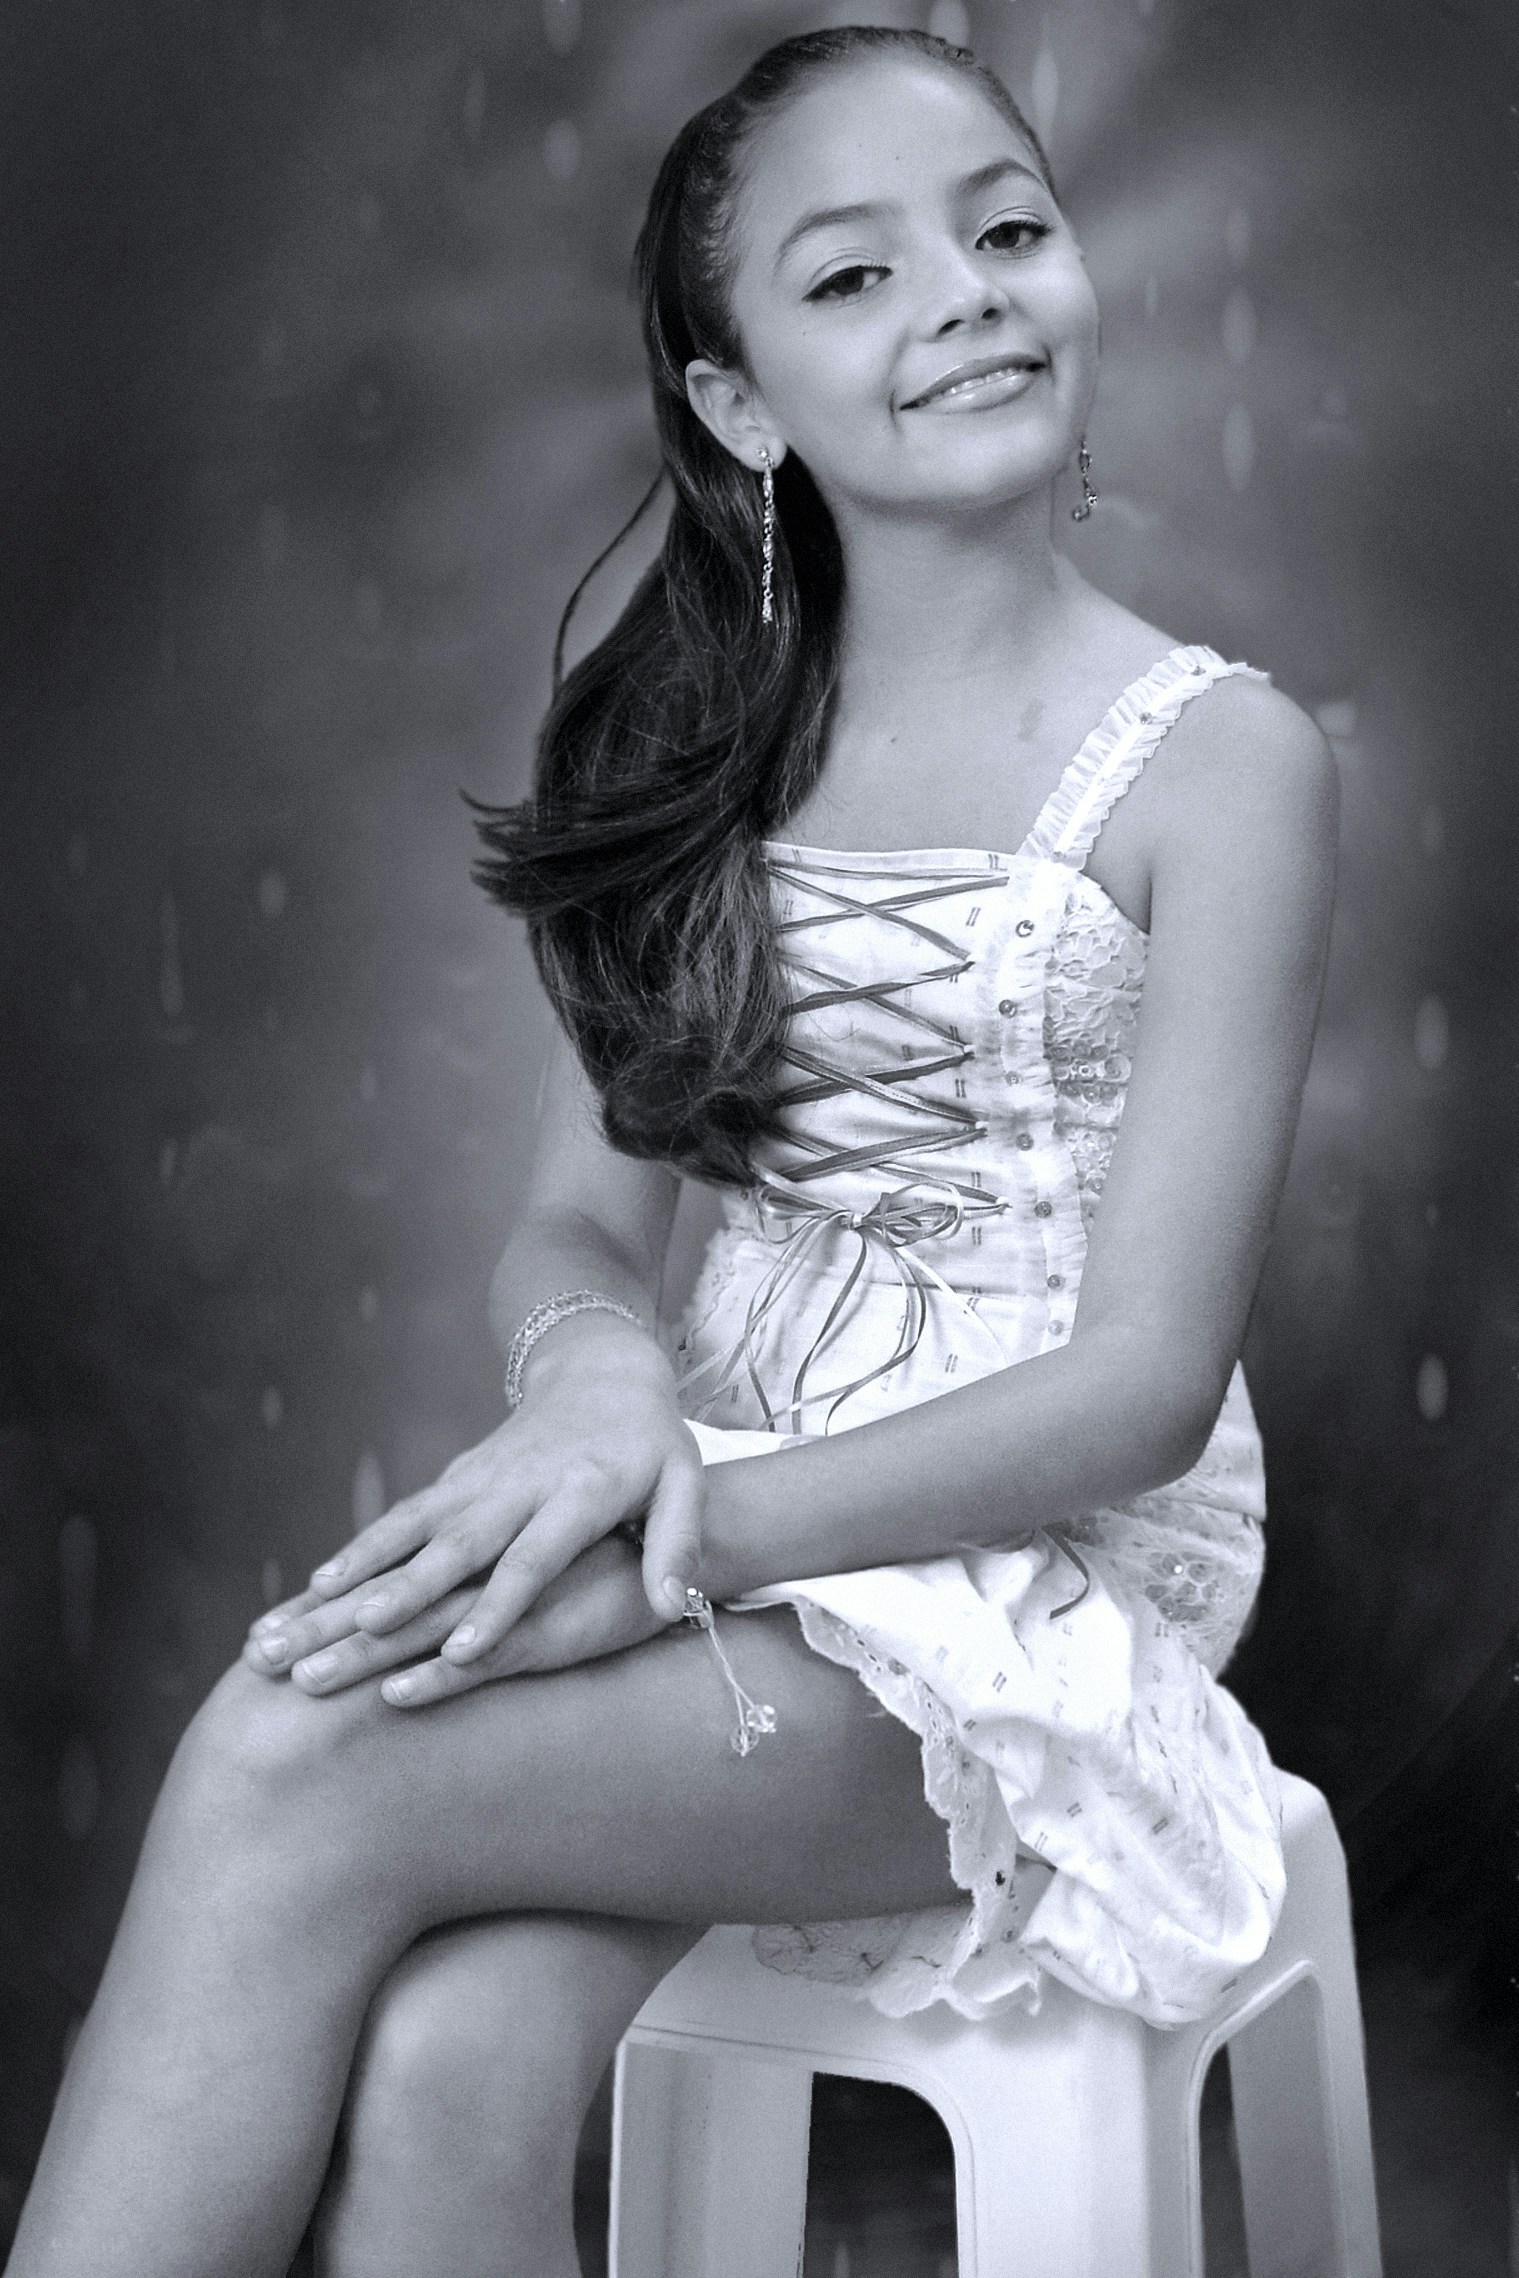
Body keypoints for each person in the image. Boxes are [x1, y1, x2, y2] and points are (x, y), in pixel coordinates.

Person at [7, 25, 1337, 2278]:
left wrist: (688, 1530)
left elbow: (1135, 1389)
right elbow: (572, 1219)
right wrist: (604, 1387)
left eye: (1006, 230)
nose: (965, 297)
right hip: (718, 1501)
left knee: (280, 1751)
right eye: (852, 279)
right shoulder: (703, 743)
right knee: (437, 2062)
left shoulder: (1224, 764)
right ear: (739, 406)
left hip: (1027, 1590)